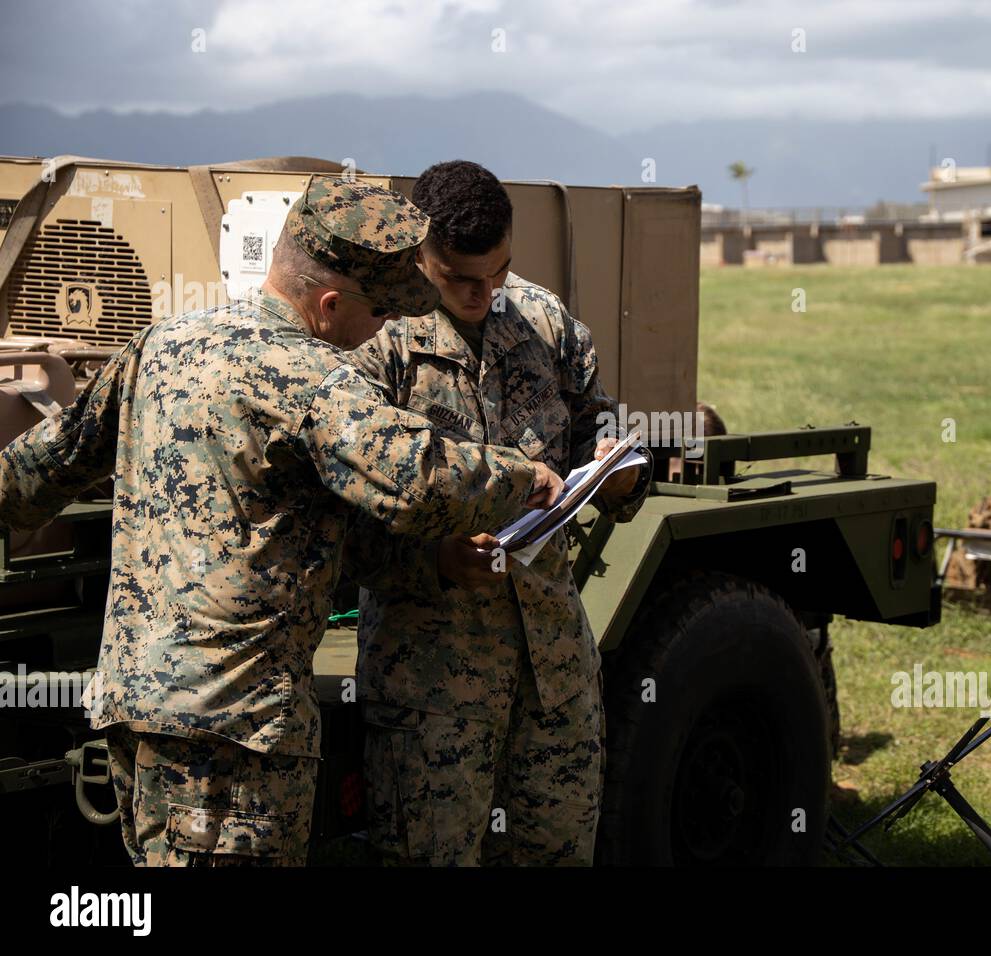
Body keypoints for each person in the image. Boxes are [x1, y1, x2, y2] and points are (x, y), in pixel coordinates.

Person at [0, 177, 563, 866]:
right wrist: (522, 476)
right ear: (329, 304)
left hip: (136, 713)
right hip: (237, 742)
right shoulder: (313, 377)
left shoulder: (161, 345)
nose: (386, 327)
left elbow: (36, 471)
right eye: (382, 311)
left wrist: (433, 564)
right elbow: (415, 480)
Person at [349, 160, 650, 865]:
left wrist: (619, 477)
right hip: (432, 687)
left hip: (553, 673)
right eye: (460, 278)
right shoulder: (376, 345)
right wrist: (435, 561)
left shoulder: (545, 324)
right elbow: (339, 524)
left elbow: (597, 434)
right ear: (418, 254)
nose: (486, 294)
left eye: (500, 272)